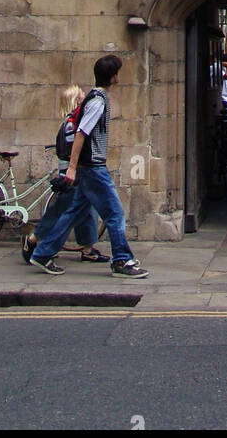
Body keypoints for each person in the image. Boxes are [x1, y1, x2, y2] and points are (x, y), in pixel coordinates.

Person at [28, 54, 148, 278]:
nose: (118, 77)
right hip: (92, 168)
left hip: (88, 167)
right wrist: (72, 168)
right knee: (114, 213)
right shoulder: (97, 102)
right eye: (117, 73)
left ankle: (43, 253)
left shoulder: (94, 97)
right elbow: (82, 133)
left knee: (74, 211)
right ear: (113, 77)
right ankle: (122, 261)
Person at [22, 85, 109, 264]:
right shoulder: (72, 124)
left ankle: (87, 248)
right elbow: (73, 151)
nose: (86, 98)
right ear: (77, 101)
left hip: (79, 174)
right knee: (62, 211)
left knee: (86, 210)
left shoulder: (74, 120)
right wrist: (76, 170)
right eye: (83, 96)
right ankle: (35, 241)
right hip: (73, 175)